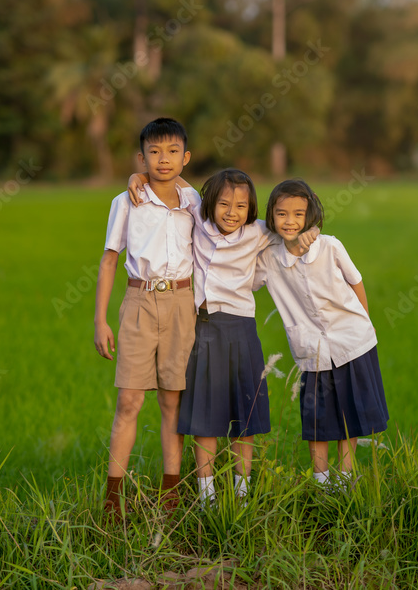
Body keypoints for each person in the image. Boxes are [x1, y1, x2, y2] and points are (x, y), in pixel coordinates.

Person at [130, 169, 318, 505]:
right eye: (224, 204)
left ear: (251, 209)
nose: (232, 212)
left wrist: (311, 232)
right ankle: (207, 495)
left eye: (241, 206)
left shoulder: (259, 231)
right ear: (209, 203)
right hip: (202, 327)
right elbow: (173, 179)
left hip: (242, 328)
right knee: (205, 415)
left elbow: (294, 226)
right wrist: (139, 175)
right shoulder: (196, 217)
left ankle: (241, 492)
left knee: (242, 413)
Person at [94, 117, 199, 518]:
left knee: (173, 402)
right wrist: (100, 320)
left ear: (186, 157)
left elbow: (227, 209)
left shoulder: (194, 203)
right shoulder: (126, 202)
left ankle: (170, 498)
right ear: (142, 157)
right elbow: (109, 261)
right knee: (129, 401)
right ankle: (112, 502)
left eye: (173, 152)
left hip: (181, 303)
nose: (163, 160)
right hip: (139, 301)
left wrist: (139, 175)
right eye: (153, 153)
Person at [253, 179, 388, 488]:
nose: (290, 221)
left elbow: (355, 281)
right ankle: (321, 483)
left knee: (350, 415)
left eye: (299, 214)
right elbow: (250, 263)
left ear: (309, 214)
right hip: (312, 351)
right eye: (281, 214)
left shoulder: (330, 246)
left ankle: (345, 478)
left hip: (353, 342)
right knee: (317, 420)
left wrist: (364, 323)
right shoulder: (269, 258)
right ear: (271, 216)